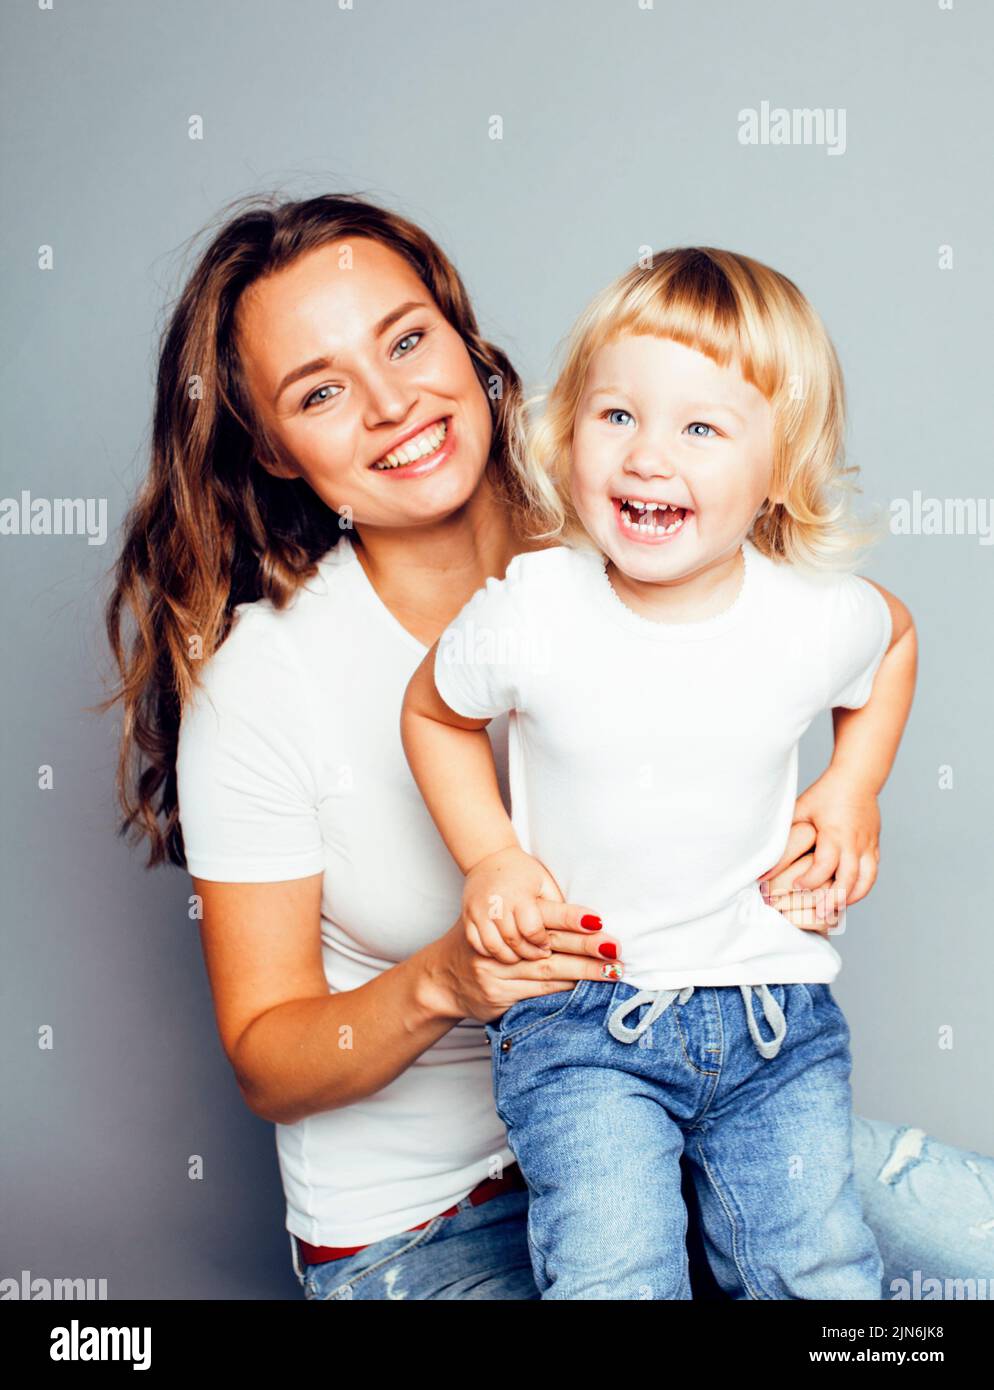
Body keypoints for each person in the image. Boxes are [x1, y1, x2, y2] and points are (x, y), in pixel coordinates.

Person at [101, 194, 994, 1300]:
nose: (391, 404)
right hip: (427, 1220)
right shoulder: (264, 680)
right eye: (321, 392)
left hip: (692, 1119)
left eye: (407, 340)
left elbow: (847, 624)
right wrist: (445, 981)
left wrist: (848, 792)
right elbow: (264, 1056)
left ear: (468, 346)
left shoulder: (634, 502)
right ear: (275, 450)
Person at [401, 247, 914, 1299]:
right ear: (570, 427)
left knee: (815, 1270)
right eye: (616, 415)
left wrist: (850, 783)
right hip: (586, 1025)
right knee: (613, 1273)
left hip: (775, 1020)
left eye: (699, 429)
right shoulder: (534, 608)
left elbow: (894, 638)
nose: (645, 457)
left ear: (776, 468)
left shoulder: (807, 613)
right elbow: (430, 709)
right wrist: (490, 855)